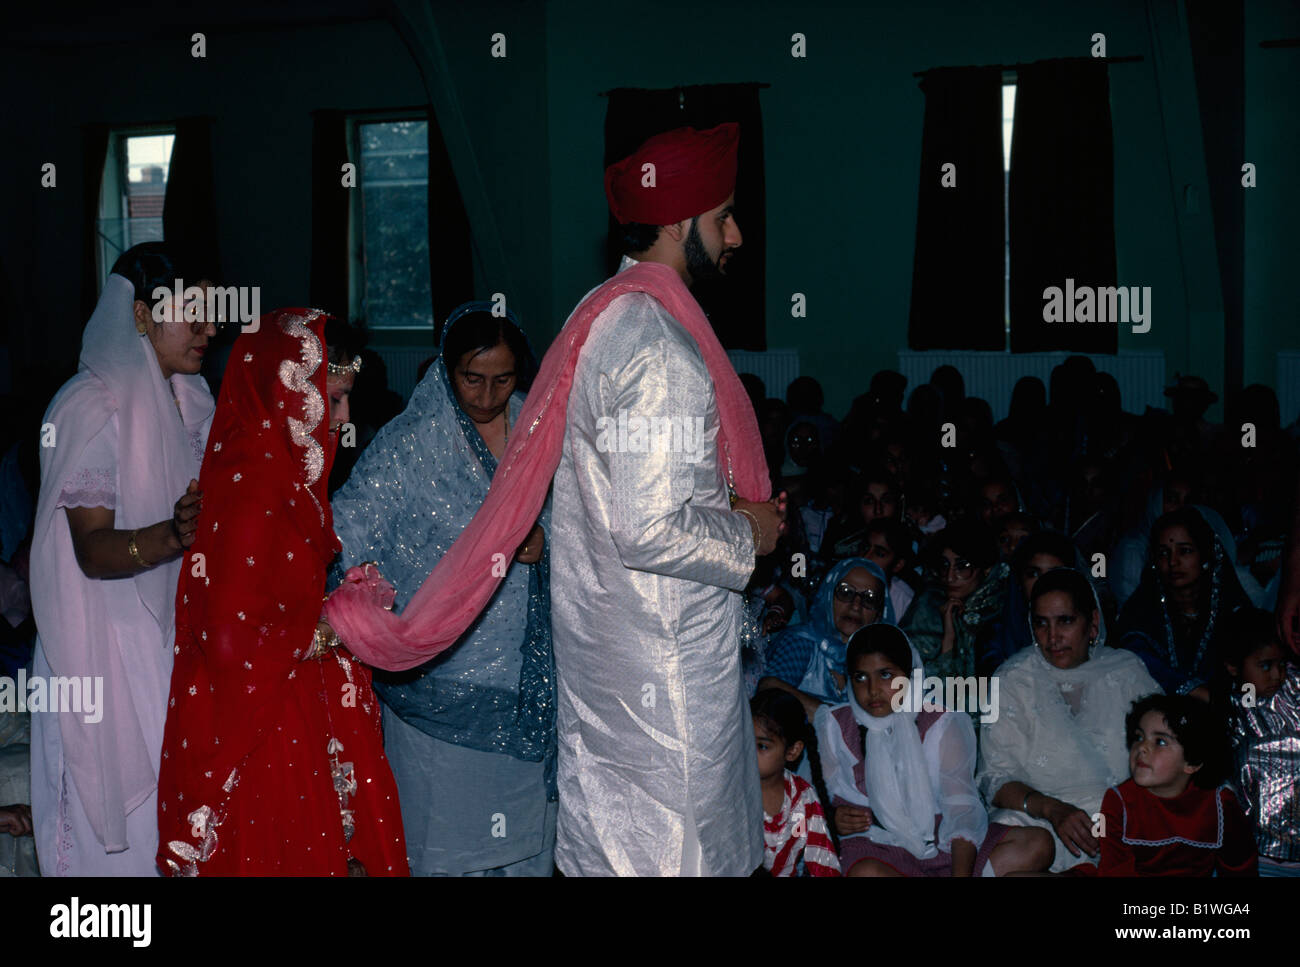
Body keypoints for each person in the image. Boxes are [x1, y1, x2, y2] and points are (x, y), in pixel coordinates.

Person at [321, 122, 783, 877]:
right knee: (671, 857)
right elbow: (649, 527)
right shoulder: (656, 345)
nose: (736, 233)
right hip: (660, 680)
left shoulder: (602, 311)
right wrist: (747, 531)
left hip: (618, 658)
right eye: (722, 214)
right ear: (675, 220)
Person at [156, 310, 407, 876]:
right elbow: (227, 637)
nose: (343, 419)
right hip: (262, 731)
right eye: (333, 399)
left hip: (285, 707)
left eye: (345, 401)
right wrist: (332, 629)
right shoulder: (255, 487)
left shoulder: (280, 477)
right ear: (289, 394)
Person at [328, 303, 556, 876]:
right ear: (445, 371)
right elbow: (347, 532)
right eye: (471, 379)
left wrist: (545, 541)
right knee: (445, 843)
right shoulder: (411, 443)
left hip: (529, 672)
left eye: (502, 380)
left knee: (524, 842)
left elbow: (586, 521)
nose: (485, 396)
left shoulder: (540, 432)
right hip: (439, 675)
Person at [29, 244, 214, 875]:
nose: (209, 328)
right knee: (110, 830)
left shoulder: (193, 402)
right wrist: (171, 535)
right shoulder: (88, 405)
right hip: (99, 639)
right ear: (141, 316)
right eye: (193, 313)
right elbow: (91, 550)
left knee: (174, 808)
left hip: (167, 636)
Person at [815, 624, 1051, 876]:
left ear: (910, 673)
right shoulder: (835, 726)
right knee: (866, 874)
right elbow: (815, 800)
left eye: (885, 675)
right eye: (860, 677)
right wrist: (833, 818)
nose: (873, 690)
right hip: (875, 846)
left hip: (942, 839)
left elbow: (961, 810)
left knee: (1038, 844)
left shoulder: (941, 722)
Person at [978, 567, 1161, 872]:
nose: (1053, 637)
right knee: (1025, 846)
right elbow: (993, 779)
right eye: (1041, 623)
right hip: (1037, 816)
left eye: (1065, 621)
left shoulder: (1126, 673)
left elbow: (1164, 749)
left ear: (1092, 624)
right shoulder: (1013, 679)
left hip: (1115, 819)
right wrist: (1053, 809)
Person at [1073, 695, 1256, 876]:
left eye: (1160, 742)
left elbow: (1240, 867)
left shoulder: (1220, 803)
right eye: (1138, 737)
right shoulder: (1118, 801)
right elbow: (1115, 869)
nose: (1142, 747)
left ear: (1192, 763)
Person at [1116, 506, 1251, 699]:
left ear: (1205, 555)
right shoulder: (1142, 610)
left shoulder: (1232, 610)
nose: (1173, 562)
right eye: (1164, 553)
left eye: (1184, 551)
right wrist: (1191, 690)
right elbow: (1134, 659)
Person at [759, 558, 894, 720]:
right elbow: (769, 690)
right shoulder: (803, 640)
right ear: (829, 595)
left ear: (879, 613)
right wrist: (840, 722)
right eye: (846, 592)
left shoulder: (879, 661)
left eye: (869, 598)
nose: (856, 605)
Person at [1221, 608, 1299, 876]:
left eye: (1281, 665)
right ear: (1233, 666)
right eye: (1265, 666)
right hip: (1260, 857)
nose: (1276, 675)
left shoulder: (1294, 690)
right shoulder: (1226, 714)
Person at [900, 520, 1008, 682]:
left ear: (985, 569)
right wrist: (948, 640)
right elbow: (907, 677)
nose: (950, 577)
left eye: (962, 567)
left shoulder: (1003, 611)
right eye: (944, 565)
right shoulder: (928, 606)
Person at [751, 689, 839, 877]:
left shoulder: (803, 798)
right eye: (744, 741)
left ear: (792, 751)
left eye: (762, 746)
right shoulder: (734, 794)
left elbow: (823, 861)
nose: (749, 752)